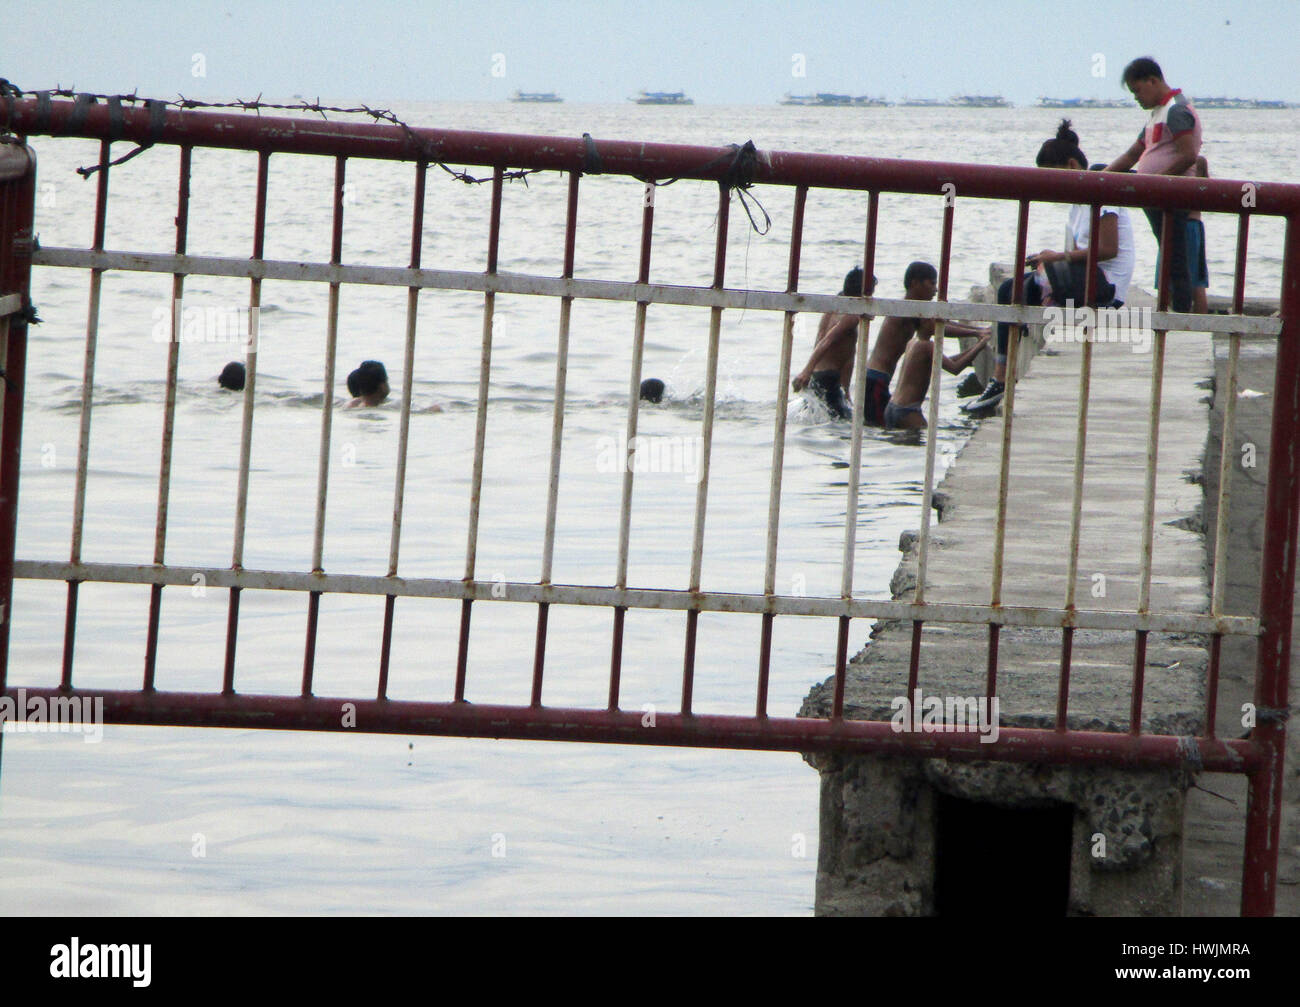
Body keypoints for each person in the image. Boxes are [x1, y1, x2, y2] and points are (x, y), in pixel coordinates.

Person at [968, 121, 1135, 412]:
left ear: (1071, 166)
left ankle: (1001, 379)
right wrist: (1053, 261)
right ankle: (1000, 376)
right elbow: (1076, 254)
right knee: (1009, 289)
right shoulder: (1078, 201)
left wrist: (1057, 258)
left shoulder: (1103, 191)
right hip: (1084, 278)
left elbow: (1108, 249)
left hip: (1106, 288)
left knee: (1030, 281)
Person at [1103, 56, 1202, 313]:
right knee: (1168, 254)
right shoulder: (1156, 114)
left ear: (1153, 80)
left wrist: (1157, 183)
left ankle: (1180, 316)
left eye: (1138, 90)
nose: (1137, 98)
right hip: (1156, 196)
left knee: (1175, 258)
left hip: (1171, 196)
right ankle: (1171, 310)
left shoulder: (1176, 110)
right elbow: (1133, 154)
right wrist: (1101, 176)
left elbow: (1188, 154)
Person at [791, 267, 875, 420]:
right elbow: (827, 341)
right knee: (843, 424)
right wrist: (806, 371)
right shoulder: (851, 317)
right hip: (828, 379)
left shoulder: (833, 306)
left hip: (818, 378)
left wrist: (846, 390)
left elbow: (846, 353)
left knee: (823, 422)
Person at [884, 316, 990, 430]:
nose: (941, 325)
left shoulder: (913, 342)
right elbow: (955, 368)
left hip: (892, 407)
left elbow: (947, 362)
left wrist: (972, 351)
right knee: (925, 441)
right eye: (935, 321)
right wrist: (981, 344)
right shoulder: (928, 345)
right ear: (925, 322)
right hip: (907, 411)